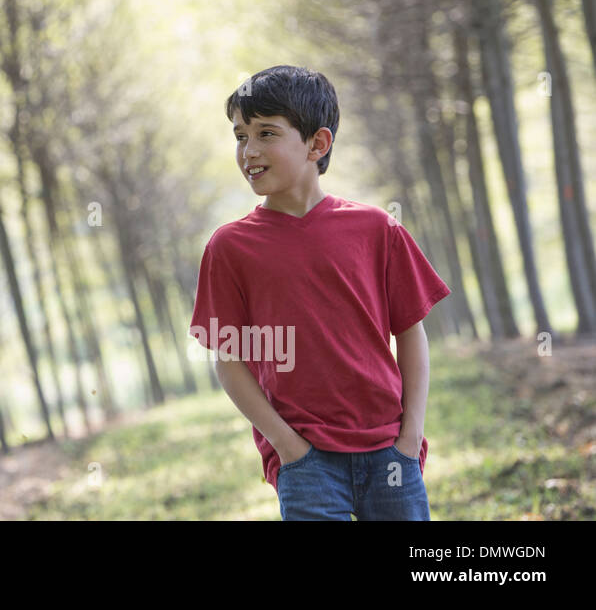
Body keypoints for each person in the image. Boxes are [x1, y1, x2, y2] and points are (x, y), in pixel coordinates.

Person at [189, 65, 449, 520]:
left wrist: (410, 437)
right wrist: (288, 446)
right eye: (239, 136)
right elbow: (229, 361)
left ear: (317, 143)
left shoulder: (377, 229)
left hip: (390, 451)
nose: (248, 150)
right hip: (305, 461)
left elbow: (411, 334)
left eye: (266, 133)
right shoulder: (230, 248)